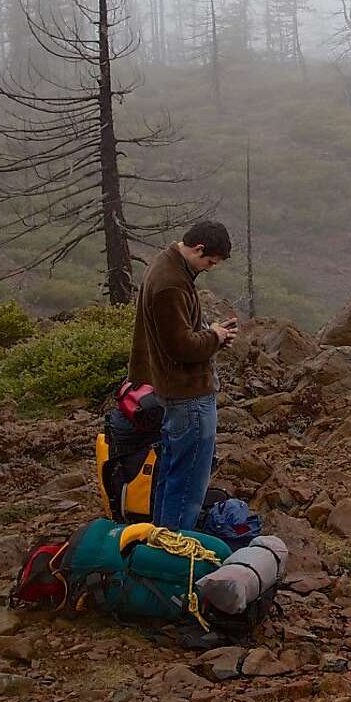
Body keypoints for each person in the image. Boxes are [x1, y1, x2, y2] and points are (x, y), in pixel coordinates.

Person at [130, 221, 238, 532]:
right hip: (187, 395)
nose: (210, 268)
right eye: (210, 262)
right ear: (199, 248)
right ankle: (175, 548)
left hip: (176, 390)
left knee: (172, 472)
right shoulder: (171, 283)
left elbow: (177, 334)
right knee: (189, 480)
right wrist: (213, 337)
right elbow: (180, 346)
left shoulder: (170, 267)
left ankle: (162, 536)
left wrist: (211, 335)